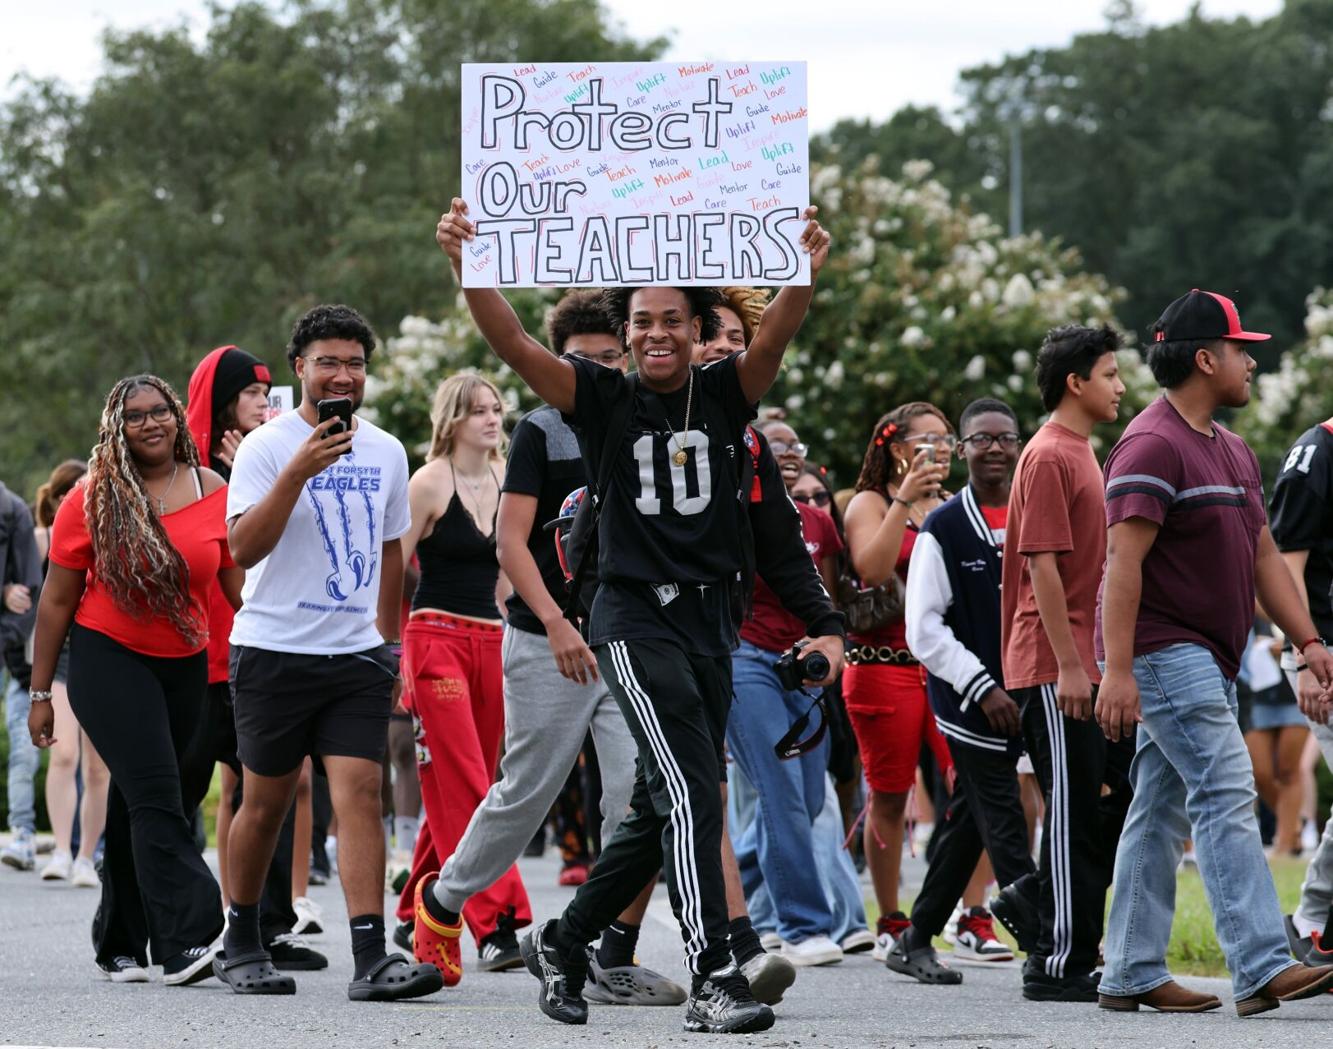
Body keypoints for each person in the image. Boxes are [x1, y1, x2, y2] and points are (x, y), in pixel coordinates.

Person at [432, 197, 831, 1035]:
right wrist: (470, 263)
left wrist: (799, 267)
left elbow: (778, 334)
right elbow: (512, 343)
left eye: (671, 320)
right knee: (692, 791)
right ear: (627, 328)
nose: (655, 332)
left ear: (696, 327)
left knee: (660, 803)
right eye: (641, 319)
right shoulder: (601, 397)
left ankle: (567, 941)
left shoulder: (726, 394)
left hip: (709, 622)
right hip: (629, 618)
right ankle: (715, 970)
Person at [1095, 289, 1333, 1016]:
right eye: (1239, 347)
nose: (1251, 359)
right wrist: (1115, 670)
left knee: (1159, 806)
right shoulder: (1150, 443)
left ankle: (1129, 970)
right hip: (1167, 653)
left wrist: (1308, 638)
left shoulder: (1228, 448)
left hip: (1213, 655)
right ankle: (1262, 963)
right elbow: (1120, 564)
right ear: (1204, 358)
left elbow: (1263, 554)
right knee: (1228, 784)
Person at [221, 304, 441, 1001]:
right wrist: (298, 469)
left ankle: (372, 957)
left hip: (353, 658)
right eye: (328, 362)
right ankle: (241, 938)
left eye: (354, 362)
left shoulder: (385, 449)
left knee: (363, 792)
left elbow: (388, 552)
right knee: (266, 802)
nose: (342, 374)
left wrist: (389, 646)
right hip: (272, 651)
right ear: (300, 369)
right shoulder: (264, 447)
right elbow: (242, 548)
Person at [27, 375, 234, 985]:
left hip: (187, 663)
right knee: (157, 793)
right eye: (136, 415)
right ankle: (188, 939)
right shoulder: (90, 500)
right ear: (116, 428)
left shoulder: (214, 489)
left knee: (134, 801)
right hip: (107, 656)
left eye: (160, 412)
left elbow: (235, 586)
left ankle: (118, 943)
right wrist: (42, 695)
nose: (150, 423)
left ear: (178, 417)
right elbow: (56, 603)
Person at [994, 324, 1133, 1003]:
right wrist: (1072, 667)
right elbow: (1041, 567)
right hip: (1056, 665)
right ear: (1075, 382)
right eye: (1109, 373)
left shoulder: (1082, 451)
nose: (1120, 386)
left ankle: (1031, 898)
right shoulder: (1049, 454)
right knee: (1076, 809)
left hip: (1084, 661)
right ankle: (1058, 962)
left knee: (1117, 794)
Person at [183, 345, 325, 970]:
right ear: (221, 404)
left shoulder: (273, 452)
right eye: (252, 395)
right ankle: (185, 929)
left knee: (276, 782)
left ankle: (267, 922)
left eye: (270, 394)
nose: (266, 406)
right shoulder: (186, 467)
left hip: (257, 644)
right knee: (191, 790)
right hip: (196, 652)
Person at [392, 372, 532, 977]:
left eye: (497, 408)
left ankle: (413, 909)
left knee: (460, 783)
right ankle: (501, 922)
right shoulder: (426, 483)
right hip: (433, 640)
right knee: (470, 780)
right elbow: (388, 569)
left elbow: (511, 569)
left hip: (492, 640)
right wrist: (391, 650)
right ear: (452, 419)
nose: (492, 419)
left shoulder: (508, 481)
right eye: (479, 410)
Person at [891, 398, 1029, 984]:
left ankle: (915, 937)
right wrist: (980, 686)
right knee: (1002, 817)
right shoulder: (943, 527)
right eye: (981, 439)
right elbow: (922, 628)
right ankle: (1048, 940)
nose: (994, 448)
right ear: (963, 450)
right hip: (969, 702)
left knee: (969, 820)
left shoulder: (1034, 515)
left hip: (1028, 693)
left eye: (1005, 437)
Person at [726, 415, 863, 967]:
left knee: (806, 799)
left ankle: (725, 875)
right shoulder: (732, 517)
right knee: (780, 789)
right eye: (772, 444)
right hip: (744, 657)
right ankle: (803, 926)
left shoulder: (818, 524)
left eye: (793, 445)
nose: (786, 452)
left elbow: (825, 595)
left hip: (801, 665)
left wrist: (827, 647)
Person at [842, 402, 955, 959]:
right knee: (889, 796)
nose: (940, 450)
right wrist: (906, 498)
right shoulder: (871, 502)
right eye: (927, 440)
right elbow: (872, 569)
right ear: (896, 447)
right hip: (882, 667)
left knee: (976, 787)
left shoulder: (958, 506)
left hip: (945, 669)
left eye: (946, 440)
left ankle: (972, 912)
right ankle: (890, 916)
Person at [23, 461, 108, 887]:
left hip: (101, 654)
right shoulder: (42, 539)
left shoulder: (109, 532)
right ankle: (59, 849)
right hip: (61, 657)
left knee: (98, 766)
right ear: (59, 499)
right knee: (64, 754)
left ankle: (86, 856)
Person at [1269, 411, 1333, 964]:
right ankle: (1312, 921)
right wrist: (1305, 655)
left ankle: (1313, 920)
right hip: (1323, 651)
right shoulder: (1315, 455)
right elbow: (1283, 567)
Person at [0, 477, 43, 872]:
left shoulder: (11, 510)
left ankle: (24, 834)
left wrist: (6, 638)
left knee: (22, 748)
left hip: (12, 655)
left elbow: (29, 592)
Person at [1240, 619, 1308, 856]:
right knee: (1261, 772)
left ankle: (1285, 843)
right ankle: (1293, 824)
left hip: (1294, 693)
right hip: (1258, 696)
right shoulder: (1251, 609)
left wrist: (1285, 648)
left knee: (1288, 770)